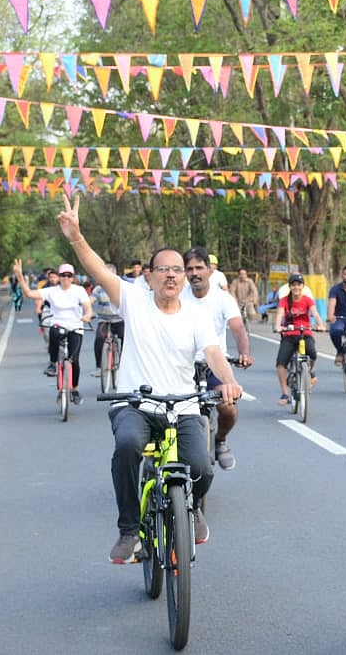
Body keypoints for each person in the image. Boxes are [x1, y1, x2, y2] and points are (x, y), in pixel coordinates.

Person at [48, 195, 242, 564]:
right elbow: (99, 271)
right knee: (127, 447)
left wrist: (228, 382)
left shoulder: (197, 316)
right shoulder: (133, 301)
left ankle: (193, 508)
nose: (171, 275)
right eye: (163, 269)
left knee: (201, 467)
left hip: (182, 406)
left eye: (178, 270)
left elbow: (214, 354)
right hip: (135, 405)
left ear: (184, 278)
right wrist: (75, 236)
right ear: (149, 276)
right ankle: (129, 531)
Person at [182, 247, 253, 471]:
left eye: (199, 268)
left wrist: (244, 353)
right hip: (182, 365)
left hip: (214, 364)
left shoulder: (223, 299)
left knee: (227, 407)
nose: (194, 273)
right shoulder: (178, 297)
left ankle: (220, 440)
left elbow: (238, 327)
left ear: (209, 270)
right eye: (189, 269)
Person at [15, 261, 92, 403]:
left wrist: (87, 315)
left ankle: (75, 390)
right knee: (54, 331)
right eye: (63, 275)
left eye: (69, 275)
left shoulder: (79, 290)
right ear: (59, 276)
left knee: (74, 360)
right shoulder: (52, 291)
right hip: (58, 323)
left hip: (75, 326)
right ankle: (53, 363)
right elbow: (29, 294)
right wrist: (20, 276)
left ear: (73, 277)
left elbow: (88, 307)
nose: (66, 278)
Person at [274, 273, 325, 405]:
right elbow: (279, 314)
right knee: (281, 363)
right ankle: (285, 393)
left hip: (305, 333)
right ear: (290, 286)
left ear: (302, 286)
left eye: (299, 284)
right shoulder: (284, 300)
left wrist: (320, 325)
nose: (296, 287)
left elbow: (315, 313)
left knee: (312, 353)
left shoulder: (307, 300)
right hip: (289, 335)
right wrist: (278, 326)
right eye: (293, 285)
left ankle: (311, 373)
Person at [90, 262, 125, 377]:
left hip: (118, 319)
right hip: (104, 320)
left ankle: (124, 365)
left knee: (125, 340)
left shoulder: (122, 287)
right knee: (99, 340)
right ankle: (99, 367)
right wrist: (88, 311)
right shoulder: (98, 289)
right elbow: (91, 301)